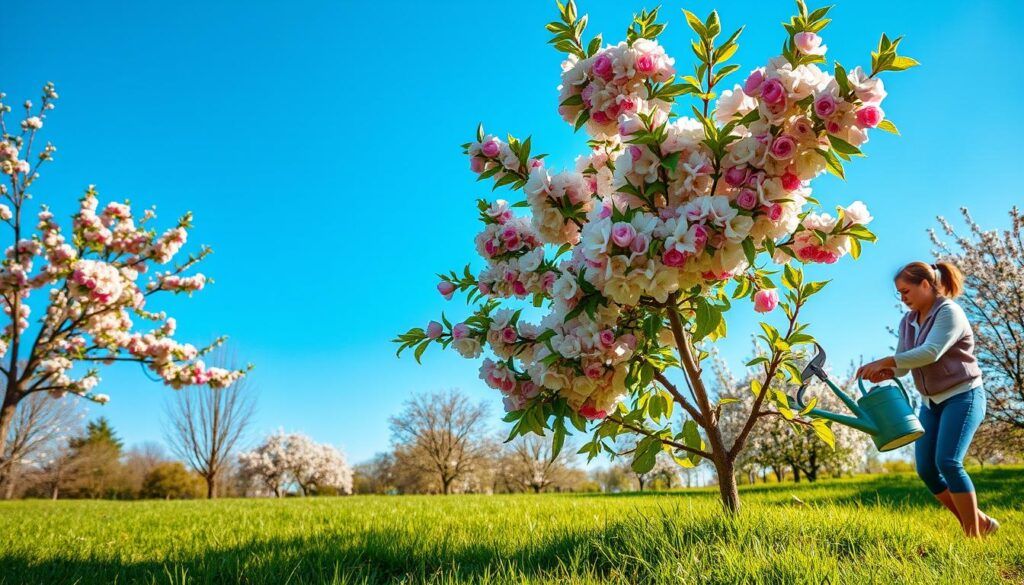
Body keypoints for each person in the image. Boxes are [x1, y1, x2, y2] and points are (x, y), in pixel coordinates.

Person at [856, 260, 999, 538]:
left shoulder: (949, 313)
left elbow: (931, 352)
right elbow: (904, 365)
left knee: (948, 461)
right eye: (898, 293)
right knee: (926, 469)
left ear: (925, 284)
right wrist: (886, 371)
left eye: (905, 290)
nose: (902, 298)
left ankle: (973, 535)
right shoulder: (908, 321)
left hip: (964, 395)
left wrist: (886, 360)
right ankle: (979, 522)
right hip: (930, 403)